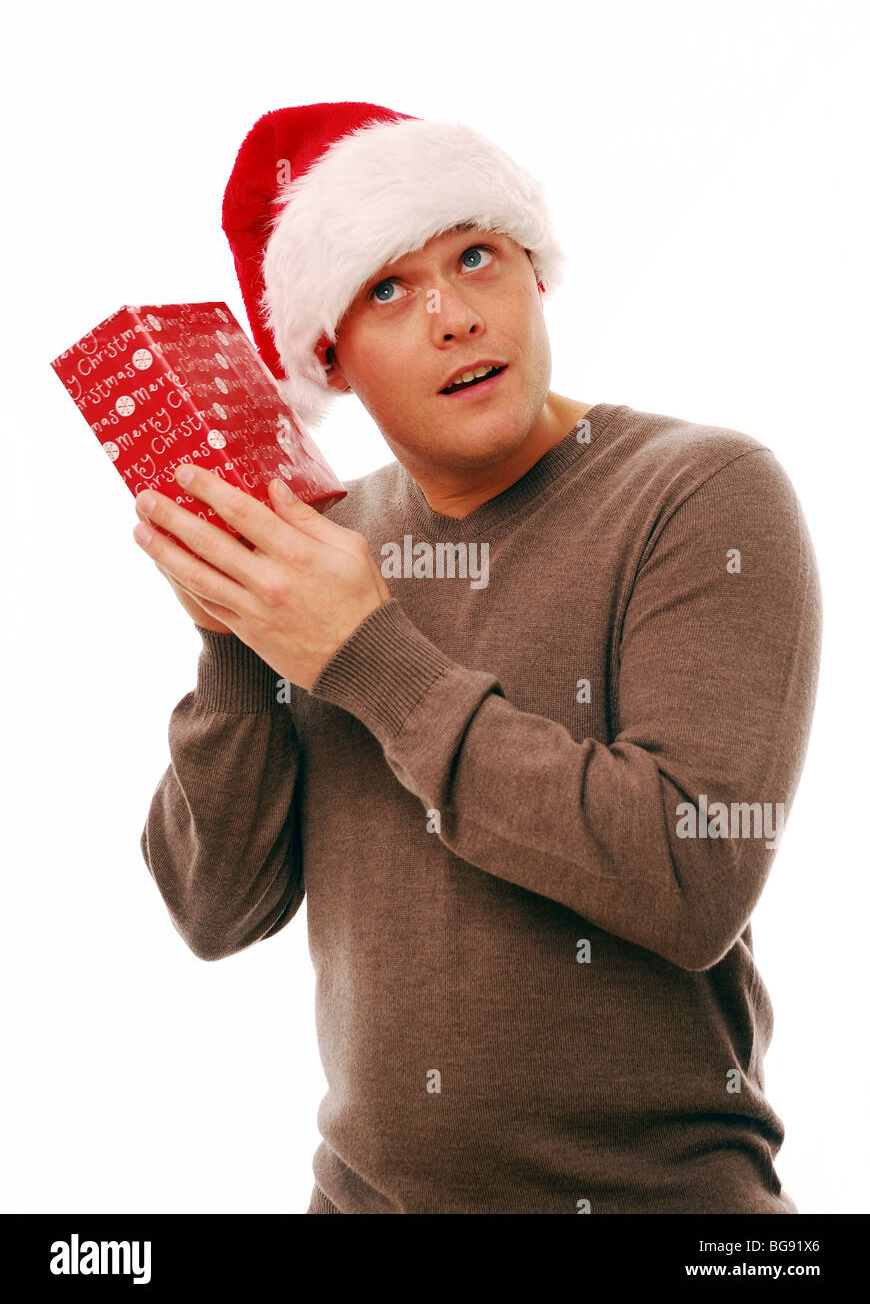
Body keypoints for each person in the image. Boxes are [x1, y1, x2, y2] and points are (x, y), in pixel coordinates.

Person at [137, 102, 822, 1214]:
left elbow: (694, 874)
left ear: (533, 276)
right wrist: (233, 634)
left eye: (476, 257)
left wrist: (367, 654)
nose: (453, 315)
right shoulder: (326, 550)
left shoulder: (701, 491)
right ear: (331, 357)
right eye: (389, 290)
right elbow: (217, 910)